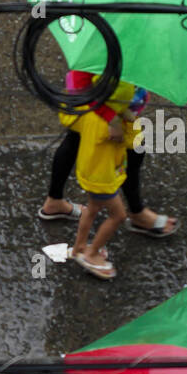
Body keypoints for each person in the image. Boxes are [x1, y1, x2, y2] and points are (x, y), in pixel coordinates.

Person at [39, 71, 178, 239]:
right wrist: (112, 119)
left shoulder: (123, 51)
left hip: (107, 108)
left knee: (74, 140)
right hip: (101, 112)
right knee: (133, 153)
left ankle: (55, 201)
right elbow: (77, 83)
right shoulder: (110, 50)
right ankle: (135, 214)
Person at [68, 80, 140, 279]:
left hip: (89, 172)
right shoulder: (112, 128)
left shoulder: (92, 112)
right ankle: (91, 254)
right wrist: (131, 120)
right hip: (102, 179)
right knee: (118, 216)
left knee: (92, 209)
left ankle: (79, 247)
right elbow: (132, 142)